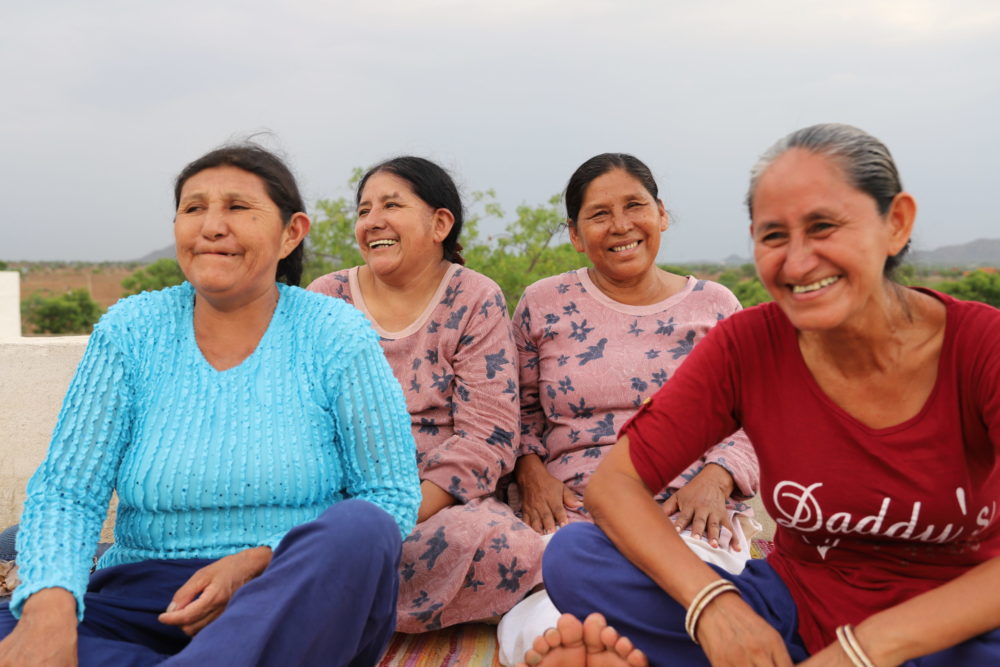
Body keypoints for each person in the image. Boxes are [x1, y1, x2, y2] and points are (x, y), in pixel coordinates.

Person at [521, 124, 1000, 666]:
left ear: (896, 224)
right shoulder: (748, 344)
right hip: (792, 613)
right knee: (575, 556)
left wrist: (864, 650)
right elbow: (614, 488)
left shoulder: (982, 349)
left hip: (951, 628)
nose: (797, 262)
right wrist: (716, 608)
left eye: (824, 227)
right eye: (773, 236)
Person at [0, 144, 421, 666]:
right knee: (22, 626)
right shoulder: (131, 332)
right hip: (145, 602)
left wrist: (257, 562)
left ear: (292, 232)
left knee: (363, 526)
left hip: (292, 597)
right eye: (194, 208)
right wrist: (49, 611)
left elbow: (391, 495)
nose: (212, 226)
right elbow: (68, 491)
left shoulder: (335, 334)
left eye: (238, 208)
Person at [497, 153, 758, 665]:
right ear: (574, 233)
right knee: (549, 620)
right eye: (599, 215)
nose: (621, 226)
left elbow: (755, 414)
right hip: (571, 508)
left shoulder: (716, 306)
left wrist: (718, 478)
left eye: (635, 206)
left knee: (691, 601)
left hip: (683, 508)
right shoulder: (541, 303)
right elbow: (517, 413)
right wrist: (530, 472)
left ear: (661, 213)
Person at [308, 156, 545, 633]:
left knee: (499, 544)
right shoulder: (327, 297)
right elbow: (303, 421)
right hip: (340, 499)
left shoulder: (475, 297)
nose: (372, 221)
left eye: (391, 204)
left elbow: (489, 435)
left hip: (440, 505)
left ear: (440, 223)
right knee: (279, 536)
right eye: (363, 210)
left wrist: (400, 514)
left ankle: (335, 600)